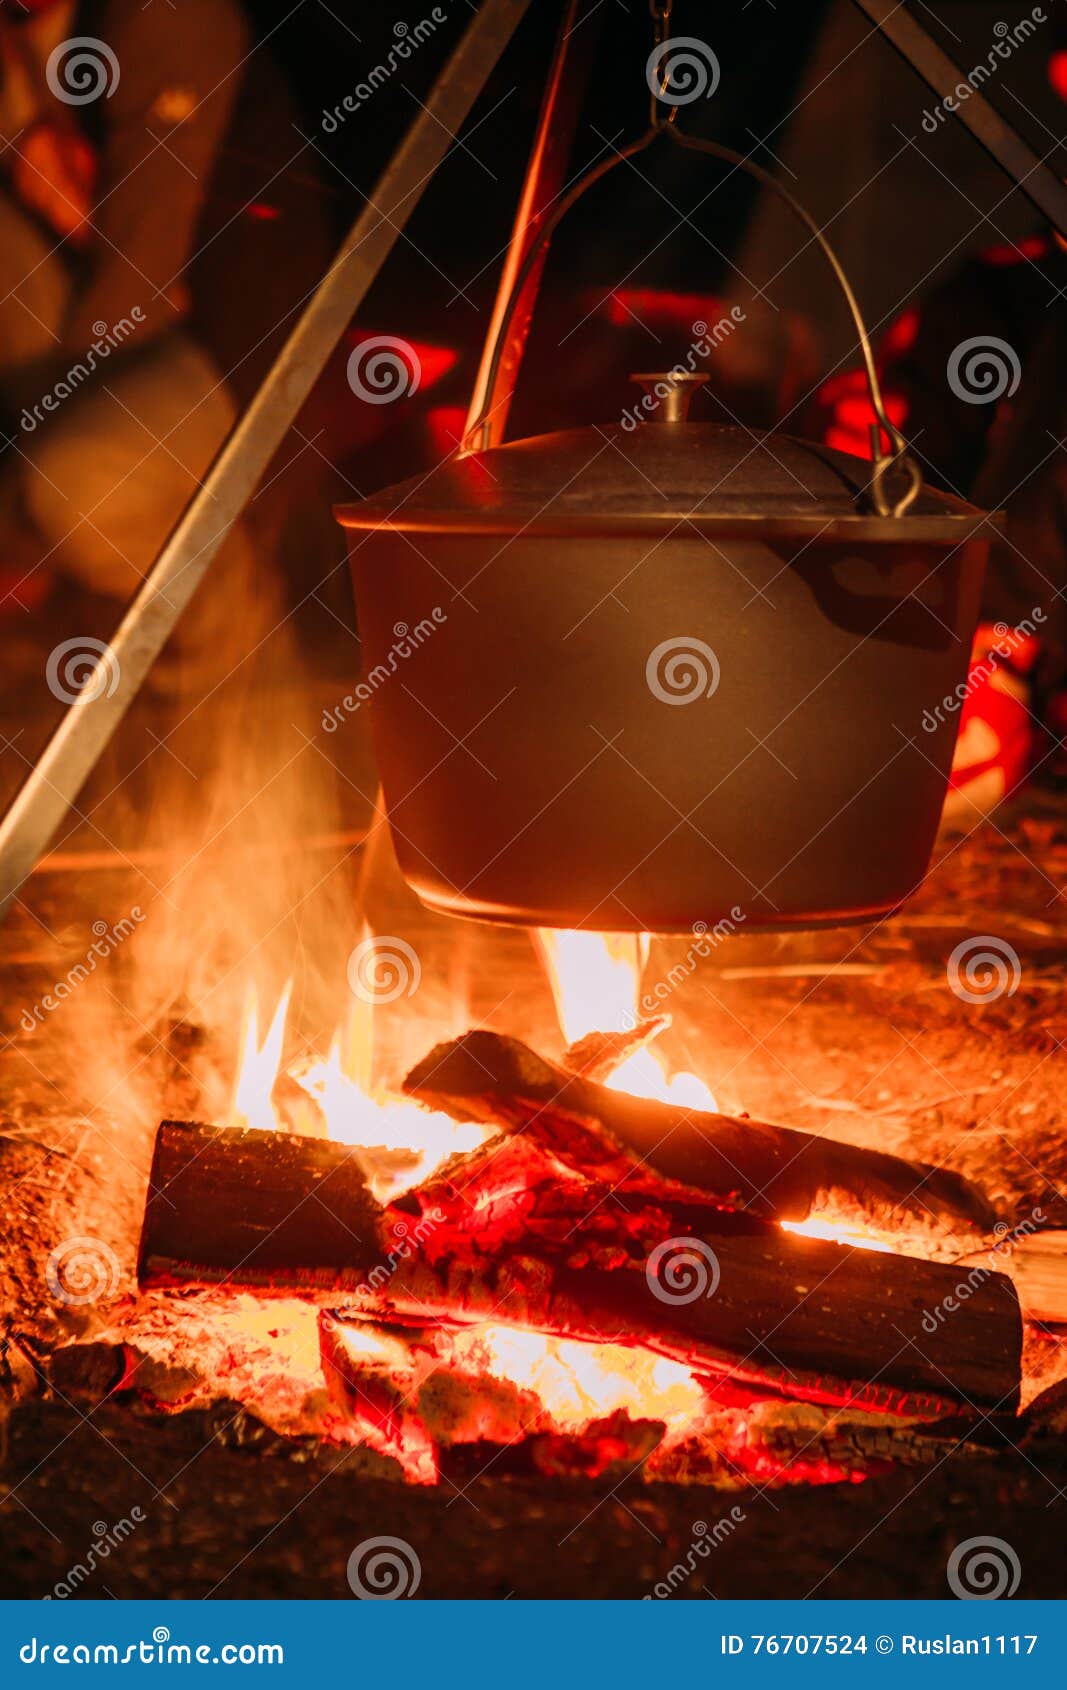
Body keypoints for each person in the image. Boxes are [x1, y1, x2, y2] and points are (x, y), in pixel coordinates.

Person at [0, 0, 331, 682]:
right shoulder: (26, 39)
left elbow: (135, 291)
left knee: (80, 486)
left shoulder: (167, 16)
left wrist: (18, 511)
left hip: (241, 358)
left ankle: (243, 667)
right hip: (120, 343)